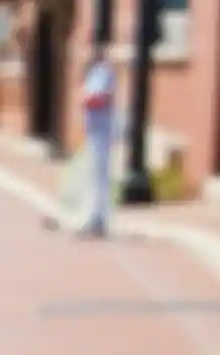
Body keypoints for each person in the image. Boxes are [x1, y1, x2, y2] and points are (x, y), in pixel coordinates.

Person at [81, 45, 116, 237]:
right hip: (94, 131)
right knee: (94, 175)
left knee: (99, 177)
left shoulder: (102, 72)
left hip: (101, 131)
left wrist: (85, 99)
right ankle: (94, 218)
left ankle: (98, 220)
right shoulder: (95, 72)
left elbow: (100, 97)